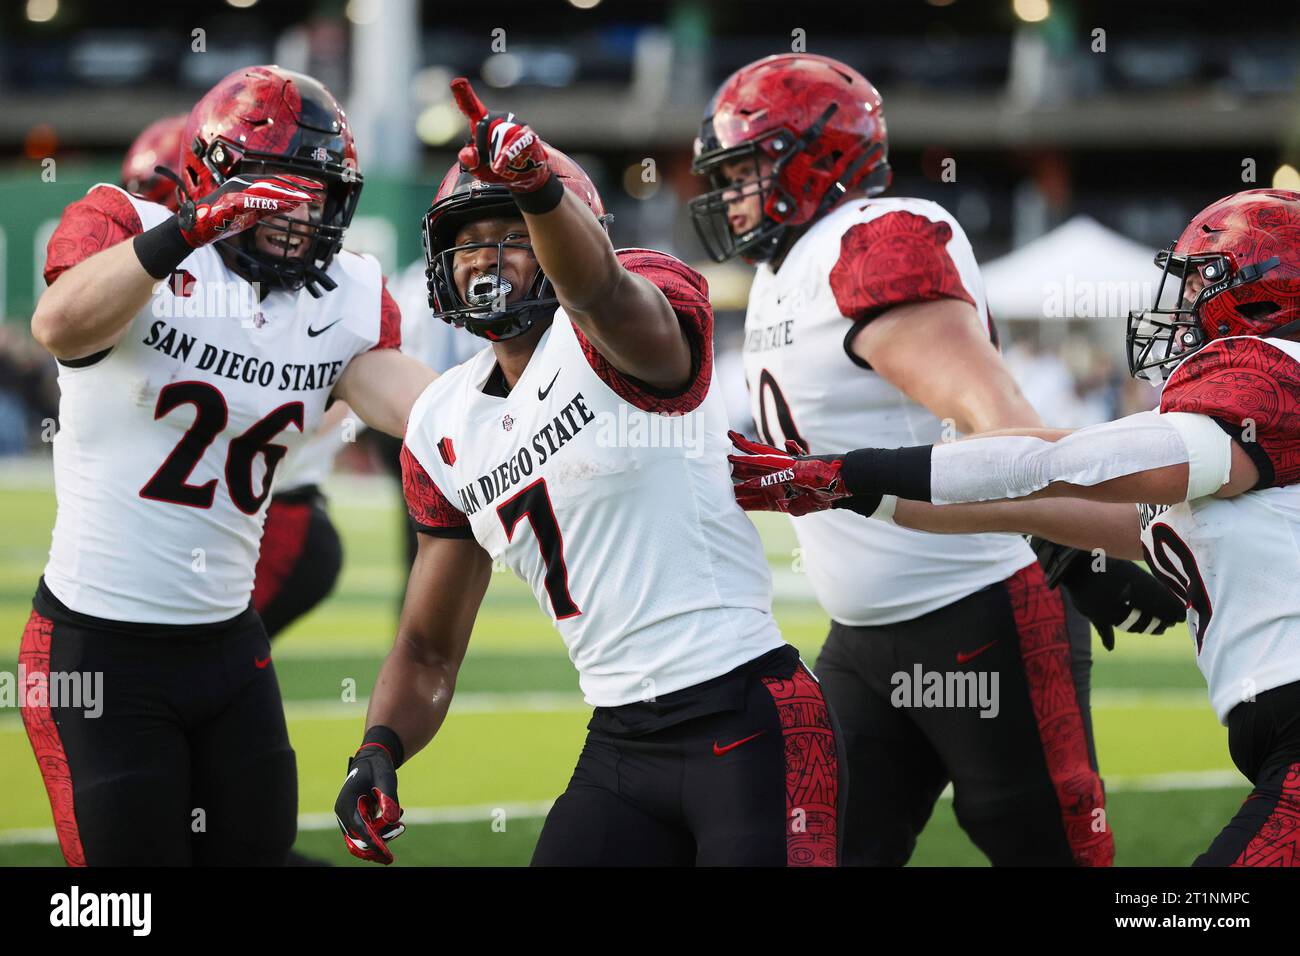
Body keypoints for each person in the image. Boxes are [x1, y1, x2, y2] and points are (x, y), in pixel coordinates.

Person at [333, 78, 842, 867]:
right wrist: (380, 746)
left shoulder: (619, 323)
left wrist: (538, 185)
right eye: (470, 240)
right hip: (619, 739)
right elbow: (429, 647)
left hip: (747, 715)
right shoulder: (442, 423)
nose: (486, 260)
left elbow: (601, 291)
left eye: (515, 234)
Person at [689, 53, 1181, 866]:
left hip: (982, 614)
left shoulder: (870, 243)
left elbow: (1000, 423)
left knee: (1050, 854)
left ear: (815, 157)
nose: (730, 193)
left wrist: (1075, 540)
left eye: (745, 169)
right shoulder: (786, 272)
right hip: (863, 635)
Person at [728, 187, 1300, 867]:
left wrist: (850, 471)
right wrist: (835, 495)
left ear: (1264, 296)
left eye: (1201, 282)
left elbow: (1067, 463)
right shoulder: (1238, 452)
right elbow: (1043, 508)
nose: (1177, 308)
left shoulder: (1275, 383)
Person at [21, 65, 434, 866]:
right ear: (214, 178)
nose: (297, 216)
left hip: (228, 650)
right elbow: (60, 325)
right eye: (277, 193)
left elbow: (434, 415)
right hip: (99, 652)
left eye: (316, 196)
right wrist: (192, 227)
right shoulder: (131, 230)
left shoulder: (340, 299)